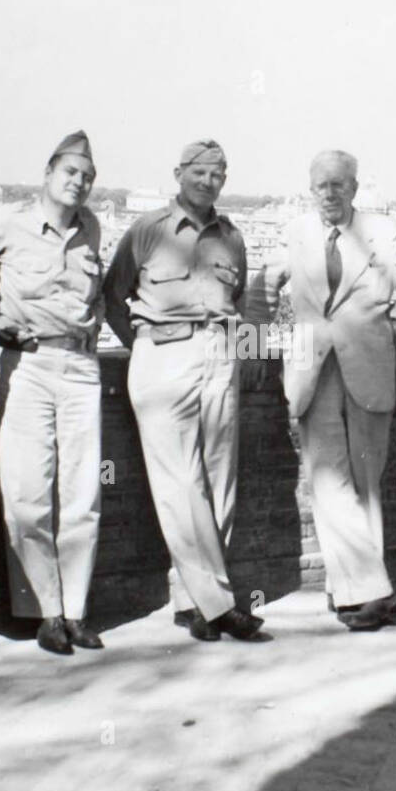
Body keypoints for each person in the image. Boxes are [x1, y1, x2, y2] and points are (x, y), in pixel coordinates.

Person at [247, 150, 396, 632]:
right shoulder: (295, 233)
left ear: (355, 189)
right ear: (309, 189)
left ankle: (354, 593)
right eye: (320, 185)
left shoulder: (384, 231)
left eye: (339, 184)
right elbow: (263, 286)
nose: (329, 192)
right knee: (327, 481)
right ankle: (372, 592)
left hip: (370, 368)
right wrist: (253, 346)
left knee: (365, 486)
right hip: (312, 370)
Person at [102, 139, 267, 643]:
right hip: (163, 355)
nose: (209, 180)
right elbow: (113, 297)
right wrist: (149, 349)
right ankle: (219, 605)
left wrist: (249, 352)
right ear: (178, 173)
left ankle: (191, 601)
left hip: (220, 356)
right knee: (179, 484)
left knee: (218, 483)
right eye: (200, 171)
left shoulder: (233, 238)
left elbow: (241, 302)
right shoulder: (147, 231)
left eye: (219, 172)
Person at [0, 131, 106, 656]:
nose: (78, 184)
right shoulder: (6, 223)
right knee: (27, 492)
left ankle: (77, 611)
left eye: (86, 177)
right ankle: (45, 612)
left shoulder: (93, 228)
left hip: (81, 364)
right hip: (27, 366)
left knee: (83, 493)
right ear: (47, 174)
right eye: (70, 173)